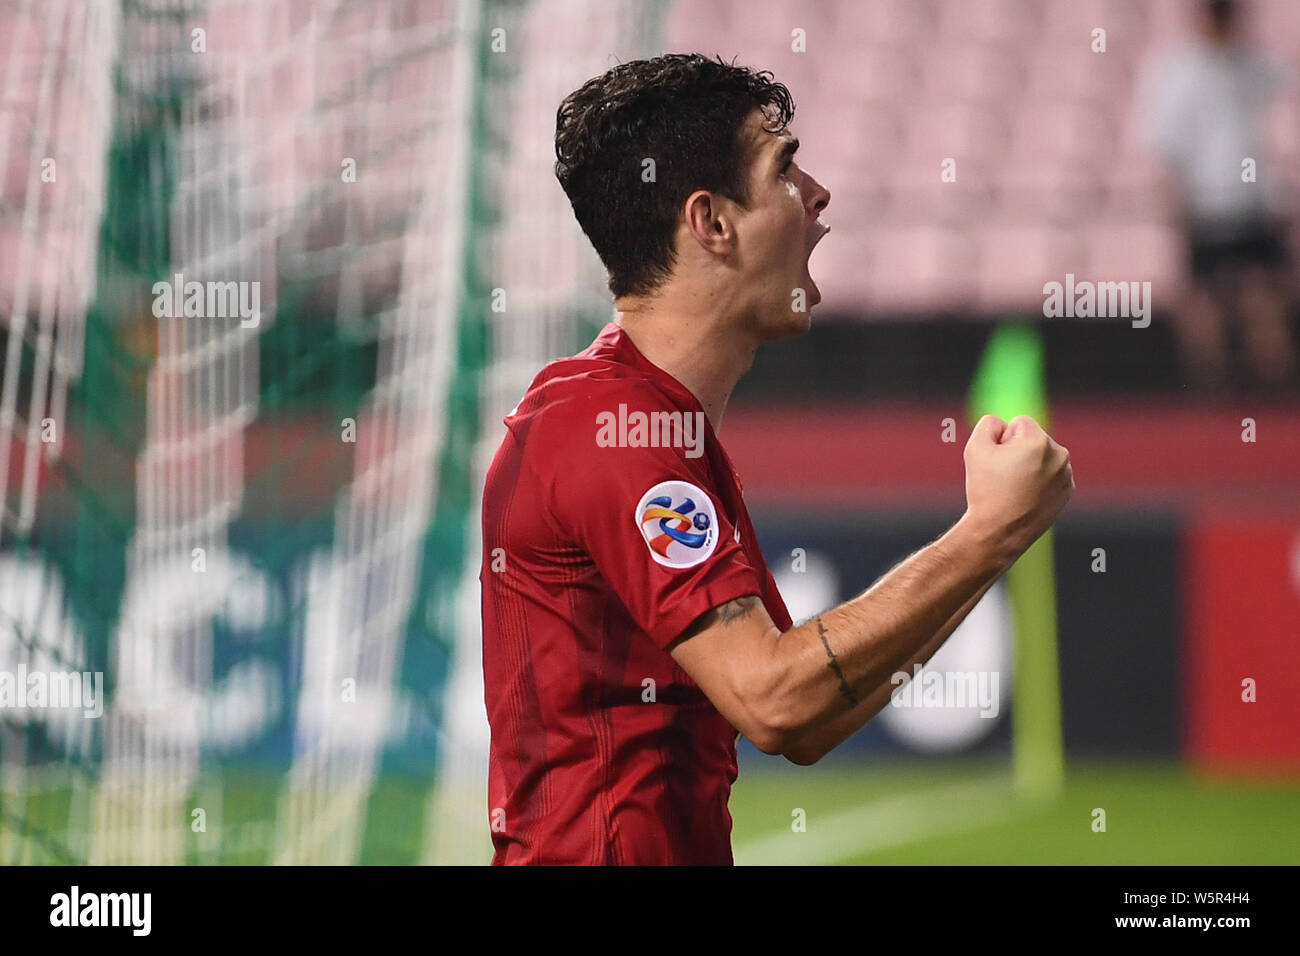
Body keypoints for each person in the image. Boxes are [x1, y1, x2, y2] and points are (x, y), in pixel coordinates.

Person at [479, 53, 1073, 865]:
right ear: (711, 223)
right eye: (784, 167)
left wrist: (990, 540)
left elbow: (812, 720)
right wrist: (988, 535)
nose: (818, 194)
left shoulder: (653, 427)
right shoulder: (610, 426)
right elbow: (773, 698)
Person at [1140, 0, 1296, 389]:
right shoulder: (1178, 72)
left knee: (1264, 295)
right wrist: (1176, 205)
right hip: (1205, 202)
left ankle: (1274, 390)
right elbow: (1166, 148)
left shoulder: (1250, 63)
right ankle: (1211, 390)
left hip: (1253, 202)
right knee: (1204, 300)